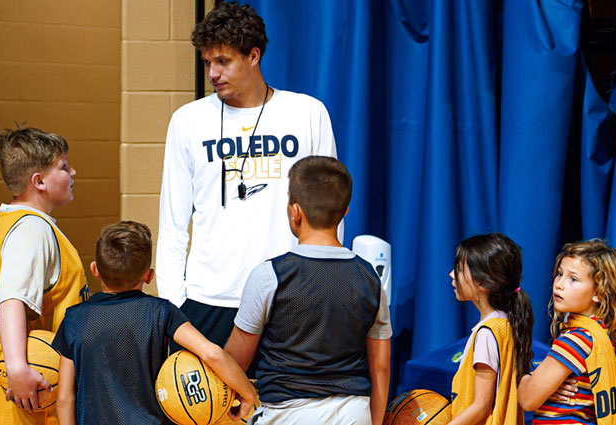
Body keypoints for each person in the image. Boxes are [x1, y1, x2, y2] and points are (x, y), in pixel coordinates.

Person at [156, 1, 338, 349]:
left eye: (223, 61)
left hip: (289, 296)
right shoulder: (188, 121)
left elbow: (329, 215)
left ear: (253, 56)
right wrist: (174, 306)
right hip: (210, 298)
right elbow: (173, 223)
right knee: (212, 405)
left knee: (284, 404)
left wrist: (322, 290)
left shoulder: (307, 113)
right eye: (207, 62)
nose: (212, 73)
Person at [224, 156, 391, 425]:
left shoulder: (270, 275)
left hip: (287, 414)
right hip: (354, 414)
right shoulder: (369, 278)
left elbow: (235, 362)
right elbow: (381, 367)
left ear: (295, 212)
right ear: (345, 210)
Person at [51, 221, 256, 425]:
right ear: (149, 276)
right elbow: (213, 354)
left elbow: (65, 399)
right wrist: (247, 393)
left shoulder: (74, 319)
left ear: (95, 269)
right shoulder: (160, 311)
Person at [0, 125, 91, 424]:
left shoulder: (20, 222)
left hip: (39, 394)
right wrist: (18, 369)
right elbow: (12, 300)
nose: (73, 173)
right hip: (34, 395)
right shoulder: (31, 230)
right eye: (64, 167)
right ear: (39, 181)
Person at [518, 240, 616, 425]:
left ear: (599, 292)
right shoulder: (602, 333)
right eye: (559, 274)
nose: (559, 284)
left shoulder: (576, 339)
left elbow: (527, 399)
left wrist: (525, 378)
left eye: (573, 279)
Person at [446, 233, 534, 425]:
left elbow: (482, 405)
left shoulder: (487, 333)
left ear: (483, 282)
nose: (452, 274)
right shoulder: (506, 324)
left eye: (459, 269)